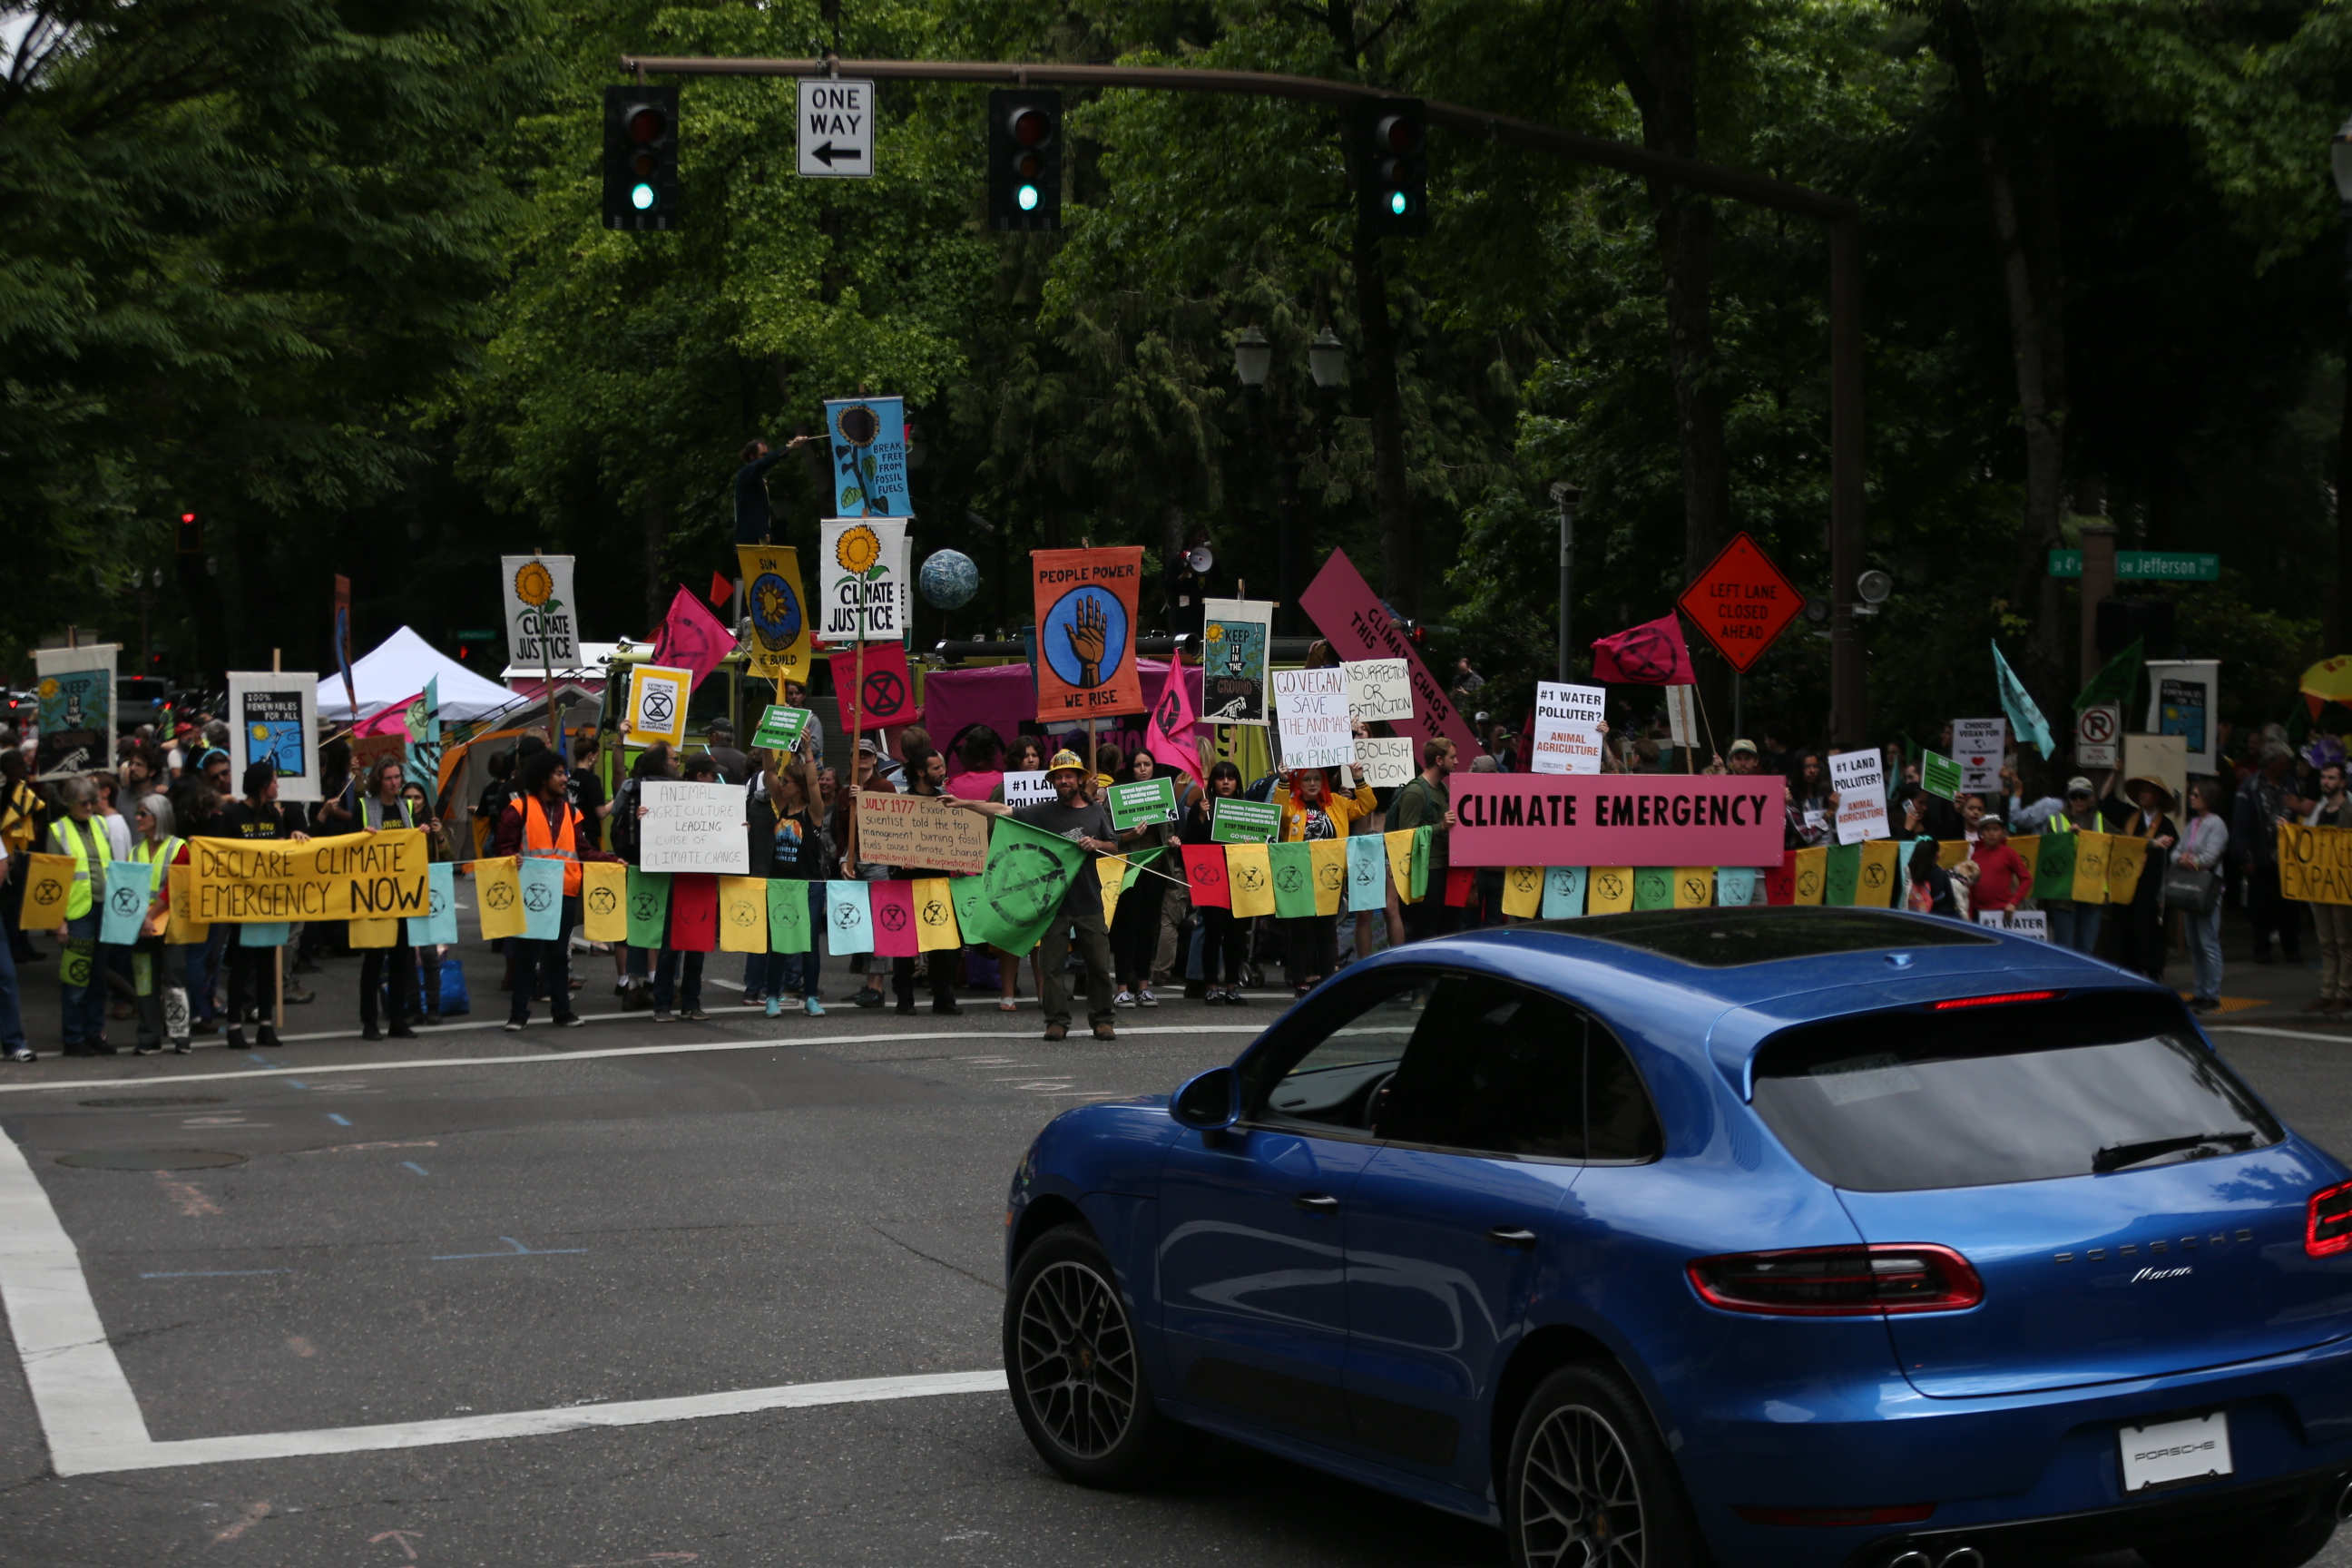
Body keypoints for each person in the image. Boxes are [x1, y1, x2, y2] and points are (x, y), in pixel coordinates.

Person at [945, 749, 1121, 1042]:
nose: (1064, 781)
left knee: (1099, 967)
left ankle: (1102, 1020)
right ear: (1053, 782)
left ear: (1079, 779)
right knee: (1050, 968)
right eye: (1058, 777)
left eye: (1069, 776)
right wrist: (963, 804)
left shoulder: (1095, 811)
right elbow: (1002, 811)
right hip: (1052, 904)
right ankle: (1056, 1022)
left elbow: (1114, 847)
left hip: (1089, 901)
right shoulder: (1043, 811)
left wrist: (1097, 843)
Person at [494, 750, 590, 1032]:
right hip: (532, 892)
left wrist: (612, 860)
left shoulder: (572, 812)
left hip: (565, 891)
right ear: (543, 777)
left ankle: (562, 1011)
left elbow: (583, 850)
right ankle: (518, 1013)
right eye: (560, 773)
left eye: (565, 773)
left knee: (559, 955)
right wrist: (512, 857)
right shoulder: (519, 809)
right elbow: (503, 849)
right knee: (528, 953)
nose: (565, 778)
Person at [218, 760, 310, 1049]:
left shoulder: (272, 814)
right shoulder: (233, 815)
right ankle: (234, 1026)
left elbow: (280, 848)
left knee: (267, 964)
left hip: (270, 902)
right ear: (261, 786)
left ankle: (265, 1026)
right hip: (243, 903)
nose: (277, 786)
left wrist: (292, 838)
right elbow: (221, 854)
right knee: (243, 965)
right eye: (274, 781)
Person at [1271, 760, 1379, 995]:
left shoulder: (1337, 803)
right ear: (1298, 782)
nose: (1312, 783)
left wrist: (1358, 777)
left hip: (1329, 876)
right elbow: (1277, 814)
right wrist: (1282, 782)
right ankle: (1300, 981)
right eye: (1306, 779)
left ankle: (1328, 982)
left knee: (1326, 931)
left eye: (1317, 779)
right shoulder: (1291, 805)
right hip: (1299, 876)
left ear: (1324, 782)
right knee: (1301, 930)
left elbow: (1368, 804)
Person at [881, 743, 963, 1016]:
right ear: (920, 772)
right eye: (936, 767)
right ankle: (904, 998)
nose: (942, 771)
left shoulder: (948, 801)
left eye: (941, 766)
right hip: (908, 882)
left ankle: (944, 998)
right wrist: (899, 858)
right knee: (906, 943)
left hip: (939, 883)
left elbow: (957, 840)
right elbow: (888, 842)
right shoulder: (902, 805)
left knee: (944, 945)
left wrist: (962, 861)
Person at [747, 741, 827, 1016]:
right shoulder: (781, 805)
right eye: (782, 781)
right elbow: (769, 771)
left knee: (809, 945)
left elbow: (815, 783)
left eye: (788, 781)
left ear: (800, 786)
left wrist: (807, 753)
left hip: (809, 886)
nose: (782, 784)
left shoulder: (813, 812)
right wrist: (766, 740)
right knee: (779, 943)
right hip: (781, 885)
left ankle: (812, 997)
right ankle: (772, 996)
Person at [1109, 748, 1190, 1008]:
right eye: (1137, 765)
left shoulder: (1162, 794)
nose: (1143, 769)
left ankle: (1143, 987)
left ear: (1154, 767)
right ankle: (1122, 988)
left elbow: (1171, 832)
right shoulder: (1119, 797)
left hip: (1156, 871)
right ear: (1130, 769)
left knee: (1149, 930)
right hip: (1129, 870)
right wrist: (1129, 835)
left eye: (1147, 764)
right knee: (1126, 929)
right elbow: (1109, 837)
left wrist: (1174, 841)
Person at [351, 755, 425, 1042]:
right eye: (389, 778)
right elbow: (350, 845)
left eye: (397, 777)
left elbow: (412, 846)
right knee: (373, 960)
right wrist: (362, 835)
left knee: (400, 960)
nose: (395, 783)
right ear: (377, 781)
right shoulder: (365, 807)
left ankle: (397, 1019)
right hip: (373, 894)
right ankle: (369, 1021)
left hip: (401, 892)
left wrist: (422, 833)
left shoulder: (405, 807)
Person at [44, 775, 115, 1055]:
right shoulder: (58, 830)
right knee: (76, 977)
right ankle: (73, 1038)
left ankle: (93, 1032)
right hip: (78, 914)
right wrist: (58, 921)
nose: (90, 807)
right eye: (84, 802)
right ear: (69, 803)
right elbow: (51, 879)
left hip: (103, 909)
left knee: (98, 977)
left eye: (93, 801)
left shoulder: (100, 824)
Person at [1181, 760, 1253, 1004]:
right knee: (1213, 933)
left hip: (1239, 879)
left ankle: (1232, 987)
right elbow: (1190, 843)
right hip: (1212, 879)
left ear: (1237, 782)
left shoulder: (1245, 808)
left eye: (1230, 778)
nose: (1225, 782)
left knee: (1235, 935)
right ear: (1212, 782)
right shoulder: (1202, 807)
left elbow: (1260, 841)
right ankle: (1211, 986)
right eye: (1220, 778)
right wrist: (1201, 817)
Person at [609, 741, 673, 1008]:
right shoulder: (675, 788)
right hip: (665, 862)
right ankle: (657, 980)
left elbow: (615, 812)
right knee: (661, 922)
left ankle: (633, 982)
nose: (676, 763)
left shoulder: (630, 786)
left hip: (633, 862)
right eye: (672, 759)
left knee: (637, 918)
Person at [127, 793, 192, 1054]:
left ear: (159, 818)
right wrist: (142, 918)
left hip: (170, 925)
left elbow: (174, 889)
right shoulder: (135, 850)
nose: (138, 819)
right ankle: (148, 1037)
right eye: (138, 813)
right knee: (145, 982)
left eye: (144, 814)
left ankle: (180, 1036)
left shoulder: (179, 848)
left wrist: (148, 917)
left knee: (174, 980)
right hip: (142, 925)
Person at [2234, 741, 2308, 965]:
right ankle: (2262, 947)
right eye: (2283, 762)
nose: (2287, 766)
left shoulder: (2292, 783)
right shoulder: (2250, 787)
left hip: (2288, 857)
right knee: (2261, 905)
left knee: (2290, 906)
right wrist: (2244, 855)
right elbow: (2240, 823)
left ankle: (2291, 946)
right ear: (2271, 764)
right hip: (2261, 856)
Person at [1391, 739, 1461, 944]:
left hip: (1445, 867)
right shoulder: (1416, 791)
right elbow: (1404, 836)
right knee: (1425, 933)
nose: (1457, 762)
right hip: (1426, 872)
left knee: (1447, 930)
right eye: (1452, 757)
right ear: (1438, 760)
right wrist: (1441, 827)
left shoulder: (1443, 789)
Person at [2040, 776, 2114, 955]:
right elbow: (2048, 854)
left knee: (2086, 949)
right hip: (2064, 895)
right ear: (2068, 797)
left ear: (2091, 797)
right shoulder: (2055, 820)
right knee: (2065, 950)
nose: (2079, 800)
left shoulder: (2099, 819)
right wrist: (2066, 839)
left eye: (2083, 796)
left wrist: (2152, 843)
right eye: (2075, 796)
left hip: (2091, 894)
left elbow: (2123, 841)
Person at [2114, 776, 2180, 981]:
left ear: (2158, 797)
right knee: (2128, 927)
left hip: (2152, 885)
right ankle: (2129, 969)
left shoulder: (2166, 825)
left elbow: (2170, 858)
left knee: (2150, 928)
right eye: (2141, 791)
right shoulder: (2131, 818)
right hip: (2129, 882)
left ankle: (2152, 970)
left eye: (2148, 791)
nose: (2143, 795)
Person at [399, 779, 453, 1026]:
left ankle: (433, 1006)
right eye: (407, 797)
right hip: (404, 894)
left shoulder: (432, 825)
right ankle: (413, 1007)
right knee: (407, 956)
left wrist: (438, 835)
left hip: (429, 896)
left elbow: (449, 860)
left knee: (430, 955)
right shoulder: (398, 824)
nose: (413, 802)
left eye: (417, 797)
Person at [2178, 779, 2232, 1014]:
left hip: (2208, 889)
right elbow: (2177, 851)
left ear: (2208, 798)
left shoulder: (2216, 825)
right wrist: (2184, 860)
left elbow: (2210, 857)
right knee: (2194, 943)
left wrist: (2192, 861)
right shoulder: (2194, 823)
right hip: (2192, 887)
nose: (2192, 797)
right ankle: (2199, 992)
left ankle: (2212, 993)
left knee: (2208, 941)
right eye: (2192, 794)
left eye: (2196, 795)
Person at [2301, 761, 2352, 1014]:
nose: (2326, 782)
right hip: (2322, 885)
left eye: (2332, 778)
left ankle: (2343, 992)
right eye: (2324, 777)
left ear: (2343, 782)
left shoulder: (2349, 811)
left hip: (2342, 886)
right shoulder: (2320, 811)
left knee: (2344, 941)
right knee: (2326, 941)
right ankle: (2327, 990)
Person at [733, 433, 819, 545]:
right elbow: (765, 462)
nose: (767, 457)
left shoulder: (756, 479)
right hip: (750, 539)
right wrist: (789, 447)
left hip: (760, 537)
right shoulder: (745, 474)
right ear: (752, 456)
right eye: (763, 454)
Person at [1968, 816, 2033, 916]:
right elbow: (1971, 887)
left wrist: (2013, 903)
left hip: (2003, 912)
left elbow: (2027, 879)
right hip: (1980, 912)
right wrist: (1970, 914)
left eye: (1995, 829)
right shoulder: (1975, 856)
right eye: (1987, 829)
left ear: (2002, 832)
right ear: (1981, 833)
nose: (1991, 833)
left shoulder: (2009, 853)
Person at [1785, 752, 1836, 850]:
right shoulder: (1791, 801)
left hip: (1828, 855)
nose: (1812, 771)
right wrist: (1829, 814)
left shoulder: (1824, 797)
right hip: (1804, 860)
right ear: (1799, 770)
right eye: (1807, 767)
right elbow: (1808, 836)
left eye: (1815, 766)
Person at [1906, 838, 1961, 917]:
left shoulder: (1909, 872)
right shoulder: (1941, 875)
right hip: (1939, 918)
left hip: (1915, 916)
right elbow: (1951, 900)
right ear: (1936, 855)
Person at [704, 720, 750, 785]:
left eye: (709, 734)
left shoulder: (705, 756)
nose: (709, 738)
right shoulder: (745, 758)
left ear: (716, 735)